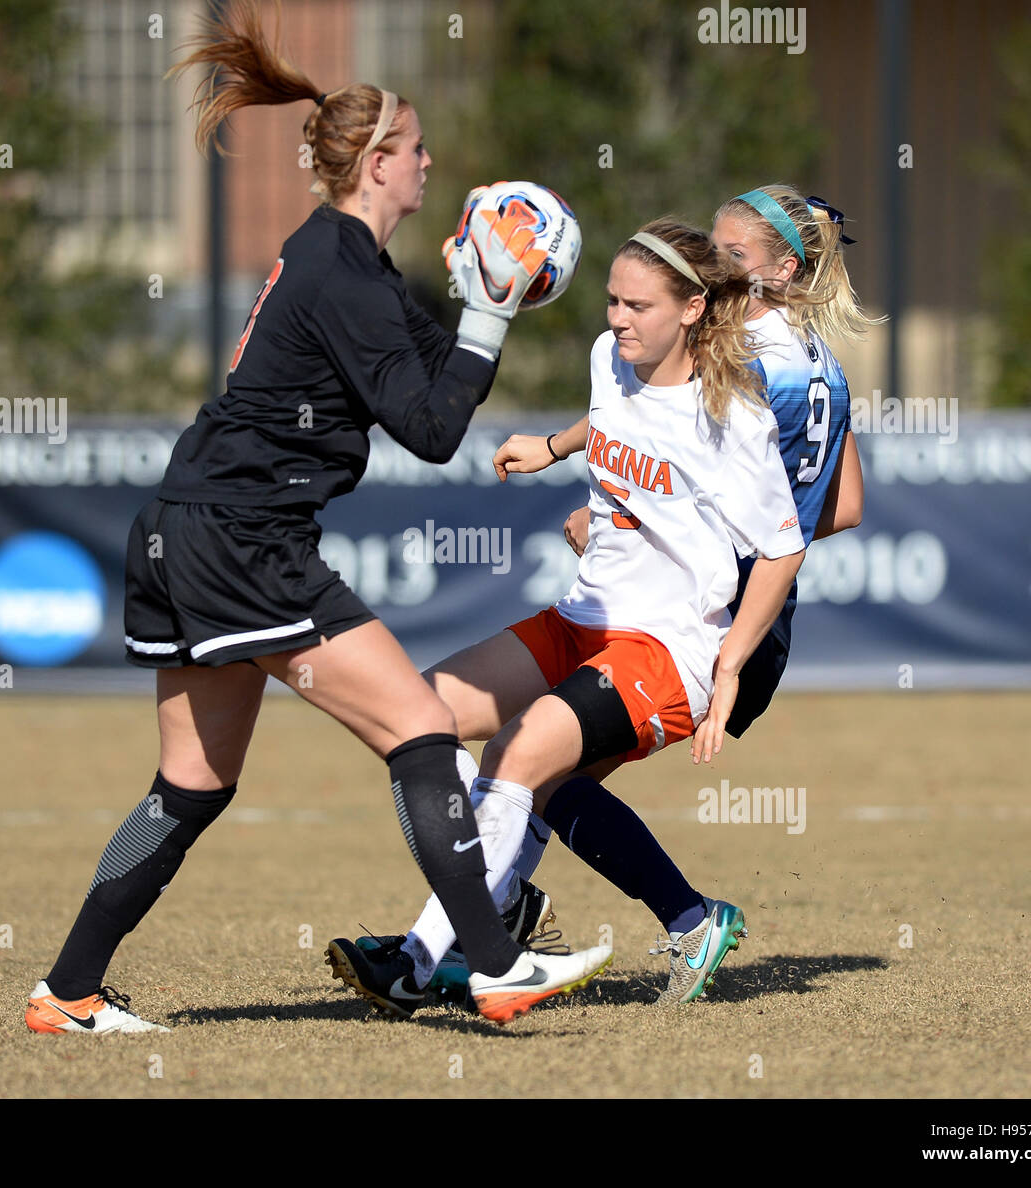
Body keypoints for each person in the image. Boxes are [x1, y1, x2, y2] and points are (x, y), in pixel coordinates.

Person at [24, 0, 610, 1035]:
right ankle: (492, 967)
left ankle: (65, 992)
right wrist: (486, 316)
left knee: (191, 787)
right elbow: (433, 431)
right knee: (425, 732)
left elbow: (436, 387)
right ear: (376, 161)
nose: (431, 166)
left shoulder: (348, 262)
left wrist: (481, 296)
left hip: (183, 526)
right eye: (417, 149)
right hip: (242, 538)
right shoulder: (342, 271)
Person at [329, 216, 808, 1019]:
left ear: (692, 310)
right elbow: (621, 422)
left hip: (667, 647)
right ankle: (537, 914)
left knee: (519, 758)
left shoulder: (735, 419)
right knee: (419, 715)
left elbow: (783, 549)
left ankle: (419, 963)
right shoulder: (606, 359)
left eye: (638, 307)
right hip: (584, 615)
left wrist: (729, 669)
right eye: (612, 301)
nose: (617, 318)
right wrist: (555, 446)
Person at [459, 185, 878, 1005]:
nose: (711, 269)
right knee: (540, 769)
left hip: (719, 623)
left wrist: (675, 534)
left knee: (545, 770)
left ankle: (652, 919)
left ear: (783, 269)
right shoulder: (812, 355)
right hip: (732, 613)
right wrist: (567, 451)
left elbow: (698, 442)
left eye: (733, 258)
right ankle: (507, 918)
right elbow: (847, 503)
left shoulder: (757, 358)